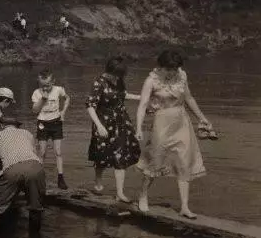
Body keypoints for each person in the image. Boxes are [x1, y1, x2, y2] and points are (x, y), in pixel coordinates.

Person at [135, 50, 210, 219]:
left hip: (182, 122)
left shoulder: (182, 76)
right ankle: (143, 194)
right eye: (170, 69)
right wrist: (138, 128)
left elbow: (189, 98)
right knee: (155, 160)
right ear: (161, 67)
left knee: (184, 161)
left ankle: (184, 206)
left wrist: (202, 118)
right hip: (162, 122)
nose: (173, 72)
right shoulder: (151, 81)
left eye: (175, 69)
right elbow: (142, 105)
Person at [86, 56, 142, 202]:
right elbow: (90, 106)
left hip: (121, 122)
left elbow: (121, 95)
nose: (118, 78)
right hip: (102, 122)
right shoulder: (98, 83)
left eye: (120, 75)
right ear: (109, 71)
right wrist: (99, 126)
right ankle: (98, 181)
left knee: (120, 156)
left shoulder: (119, 80)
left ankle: (120, 193)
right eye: (117, 75)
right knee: (101, 156)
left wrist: (140, 98)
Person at [0, 118, 45, 230]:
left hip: (12, 169)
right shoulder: (27, 134)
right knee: (35, 207)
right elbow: (33, 153)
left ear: (2, 126)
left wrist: (2, 191)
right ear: (17, 126)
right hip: (35, 167)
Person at [31, 69, 70, 190]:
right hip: (42, 123)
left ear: (53, 82)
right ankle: (39, 178)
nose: (45, 88)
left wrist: (63, 111)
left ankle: (60, 178)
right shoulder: (36, 93)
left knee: (58, 151)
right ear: (39, 83)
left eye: (47, 85)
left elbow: (67, 98)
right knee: (42, 152)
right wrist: (43, 99)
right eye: (42, 85)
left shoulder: (59, 90)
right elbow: (35, 111)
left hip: (56, 122)